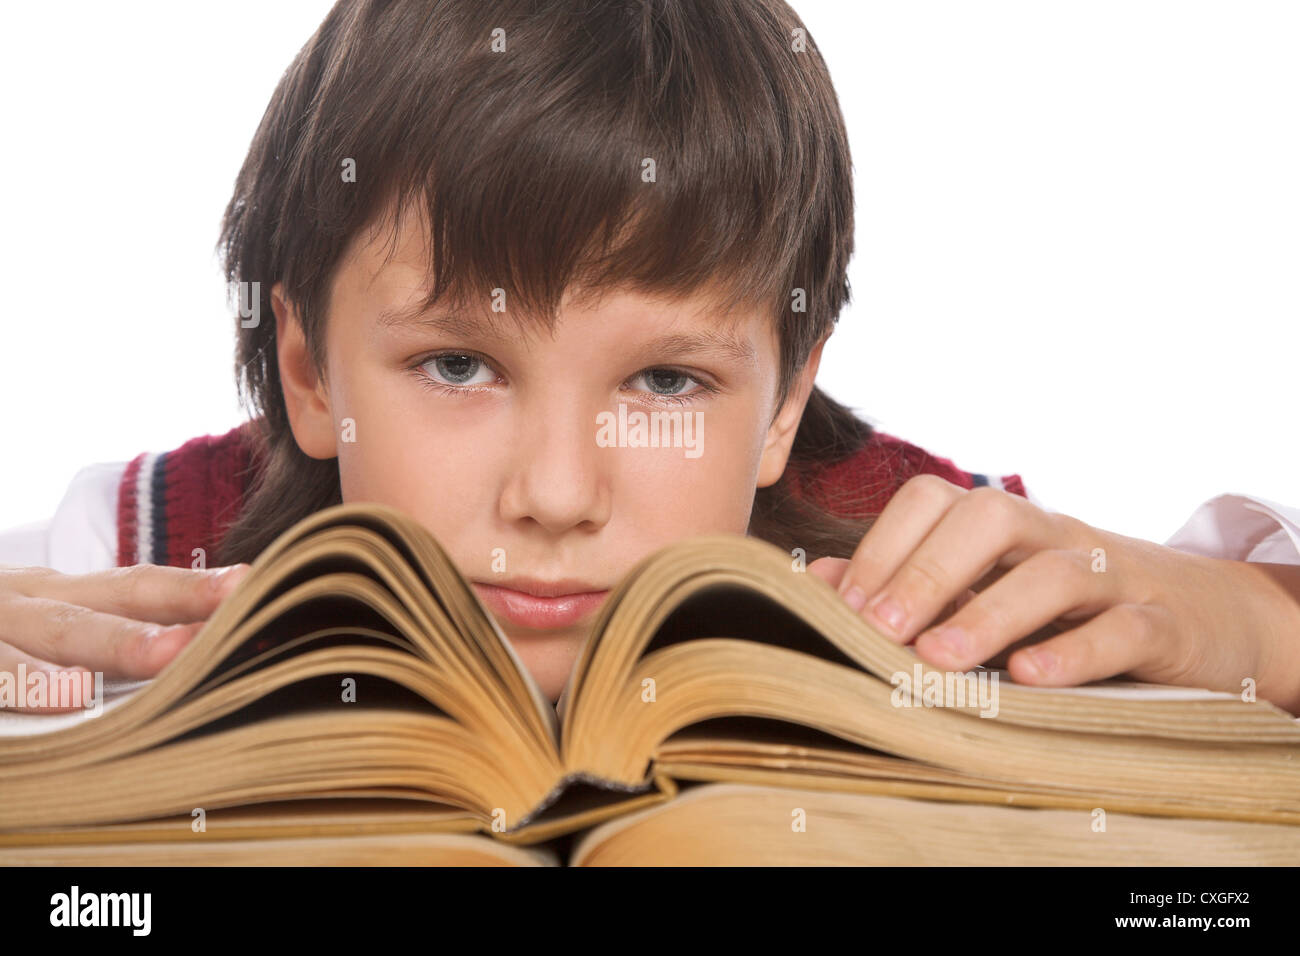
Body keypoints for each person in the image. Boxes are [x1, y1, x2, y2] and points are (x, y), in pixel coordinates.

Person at [3, 0, 1299, 716]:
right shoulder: (133, 552)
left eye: (667, 382)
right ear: (308, 368)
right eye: (458, 366)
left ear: (787, 398)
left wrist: (1263, 629)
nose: (558, 496)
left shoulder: (934, 567)